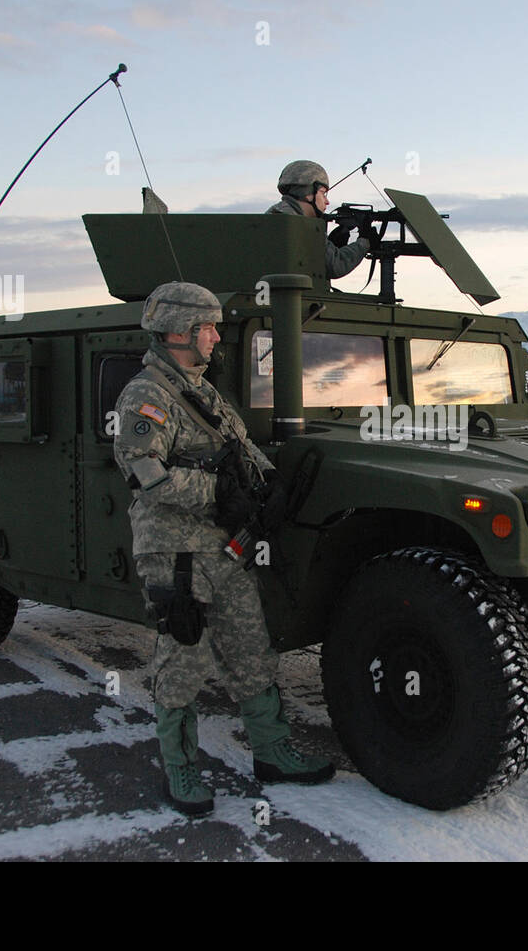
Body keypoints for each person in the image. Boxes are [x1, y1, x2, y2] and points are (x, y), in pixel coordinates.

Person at [113, 280, 335, 817]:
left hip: (223, 546)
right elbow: (147, 476)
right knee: (183, 658)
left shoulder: (201, 390)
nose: (216, 336)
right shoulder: (148, 394)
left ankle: (273, 752)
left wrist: (269, 485)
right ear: (178, 332)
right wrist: (219, 493)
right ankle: (180, 767)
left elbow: (239, 448)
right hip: (175, 550)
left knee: (250, 650)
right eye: (207, 327)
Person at [267, 159, 378, 278]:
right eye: (323, 193)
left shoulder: (274, 216)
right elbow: (336, 266)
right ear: (308, 193)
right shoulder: (300, 225)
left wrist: (331, 246)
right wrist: (364, 242)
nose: (327, 201)